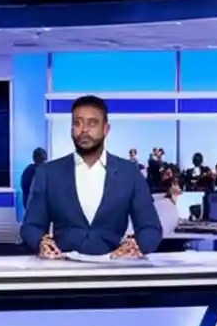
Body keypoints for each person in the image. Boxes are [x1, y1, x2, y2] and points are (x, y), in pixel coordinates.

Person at [21, 95, 162, 259]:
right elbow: (31, 227)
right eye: (77, 123)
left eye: (92, 123)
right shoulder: (48, 173)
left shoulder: (129, 173)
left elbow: (151, 229)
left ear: (106, 129)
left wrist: (137, 244)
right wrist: (41, 242)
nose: (84, 130)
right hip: (62, 267)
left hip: (115, 267)